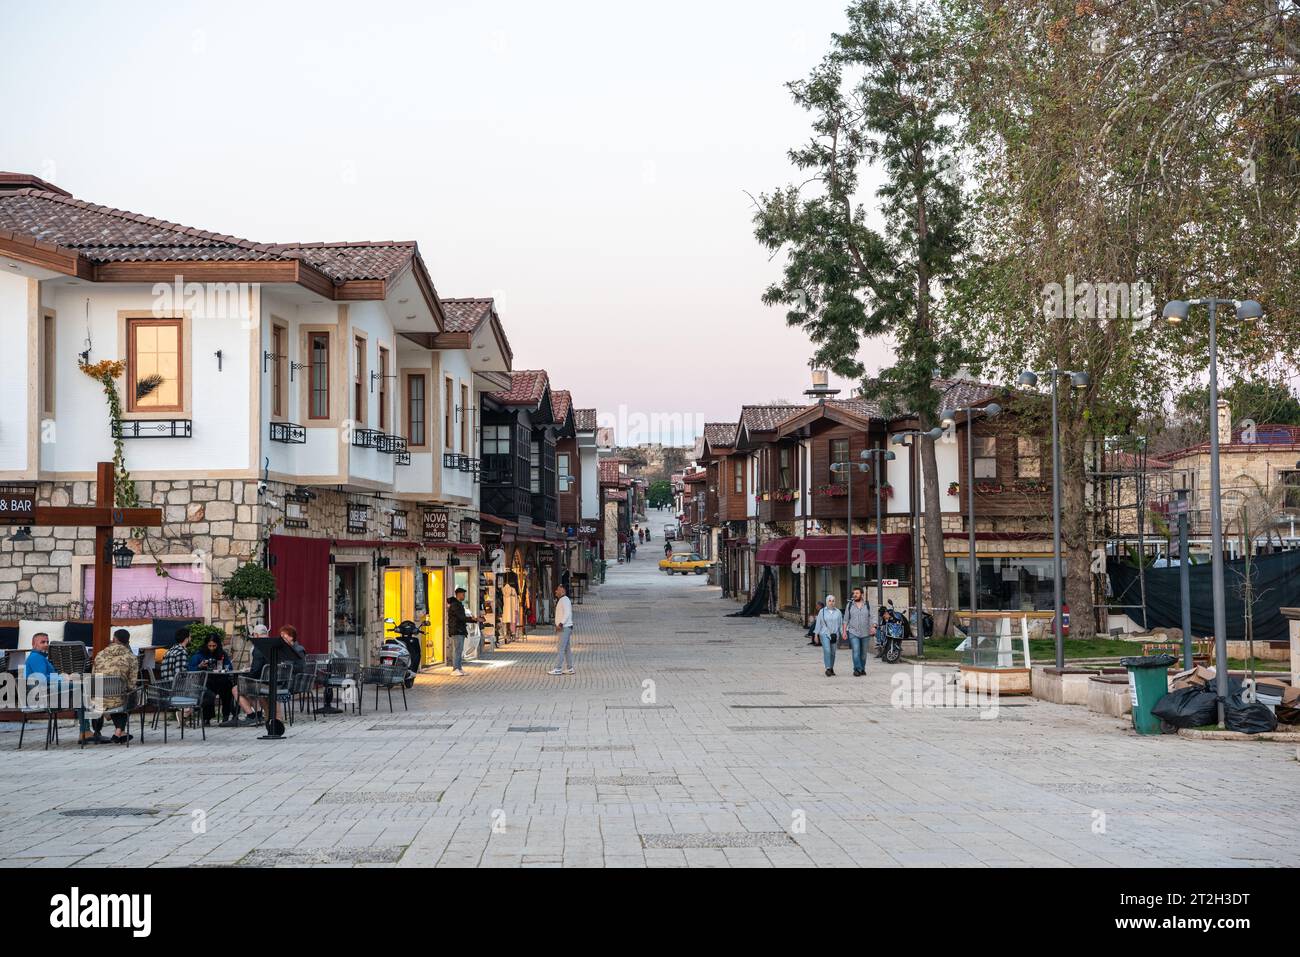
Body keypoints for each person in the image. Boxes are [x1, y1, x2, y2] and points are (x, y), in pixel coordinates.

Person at [226, 624, 304, 726]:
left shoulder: (292, 649)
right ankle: (268, 719)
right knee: (257, 690)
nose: (282, 638)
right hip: (274, 682)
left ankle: (253, 716)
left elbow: (256, 671)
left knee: (238, 688)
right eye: (281, 636)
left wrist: (244, 678)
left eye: (284, 636)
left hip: (283, 683)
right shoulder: (277, 648)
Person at [89, 628, 138, 744]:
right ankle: (119, 730)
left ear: (114, 639)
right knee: (129, 695)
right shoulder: (131, 658)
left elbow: (93, 676)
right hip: (118, 700)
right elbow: (132, 684)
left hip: (98, 699)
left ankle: (98, 731)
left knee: (100, 696)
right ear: (128, 642)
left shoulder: (100, 654)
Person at [189, 634, 235, 724]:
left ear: (217, 645)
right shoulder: (199, 654)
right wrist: (200, 666)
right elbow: (190, 669)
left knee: (228, 687)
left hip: (220, 679)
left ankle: (226, 715)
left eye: (214, 646)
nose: (212, 648)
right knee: (207, 690)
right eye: (209, 646)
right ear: (206, 645)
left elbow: (229, 667)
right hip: (206, 680)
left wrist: (224, 668)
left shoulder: (222, 654)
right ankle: (207, 718)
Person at [843, 588, 876, 678]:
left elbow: (873, 617)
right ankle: (857, 669)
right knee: (856, 651)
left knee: (863, 654)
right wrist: (844, 632)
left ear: (862, 594)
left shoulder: (868, 605)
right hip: (853, 632)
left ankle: (862, 668)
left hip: (865, 633)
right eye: (854, 593)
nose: (855, 595)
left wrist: (873, 626)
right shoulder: (849, 605)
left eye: (857, 593)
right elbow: (845, 619)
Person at [447, 587, 478, 677]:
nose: (464, 596)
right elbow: (461, 618)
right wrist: (473, 619)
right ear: (458, 594)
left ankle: (459, 668)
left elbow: (462, 618)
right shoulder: (455, 605)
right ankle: (455, 669)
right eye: (463, 594)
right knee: (457, 650)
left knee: (460, 650)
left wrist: (473, 619)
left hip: (459, 629)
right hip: (457, 630)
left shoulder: (458, 604)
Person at [548, 583, 575, 676]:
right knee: (567, 649)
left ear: (563, 591)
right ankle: (570, 668)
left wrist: (560, 624)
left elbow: (567, 613)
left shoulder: (565, 600)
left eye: (558, 589)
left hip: (565, 627)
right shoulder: (562, 600)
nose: (556, 591)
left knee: (561, 648)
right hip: (565, 627)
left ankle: (558, 668)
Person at [813, 595, 843, 677]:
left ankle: (831, 667)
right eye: (830, 600)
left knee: (833, 652)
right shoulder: (822, 611)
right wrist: (816, 635)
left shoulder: (838, 612)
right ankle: (828, 668)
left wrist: (843, 633)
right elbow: (818, 624)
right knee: (827, 650)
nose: (831, 602)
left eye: (833, 601)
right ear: (827, 601)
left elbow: (840, 624)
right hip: (824, 634)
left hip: (834, 635)